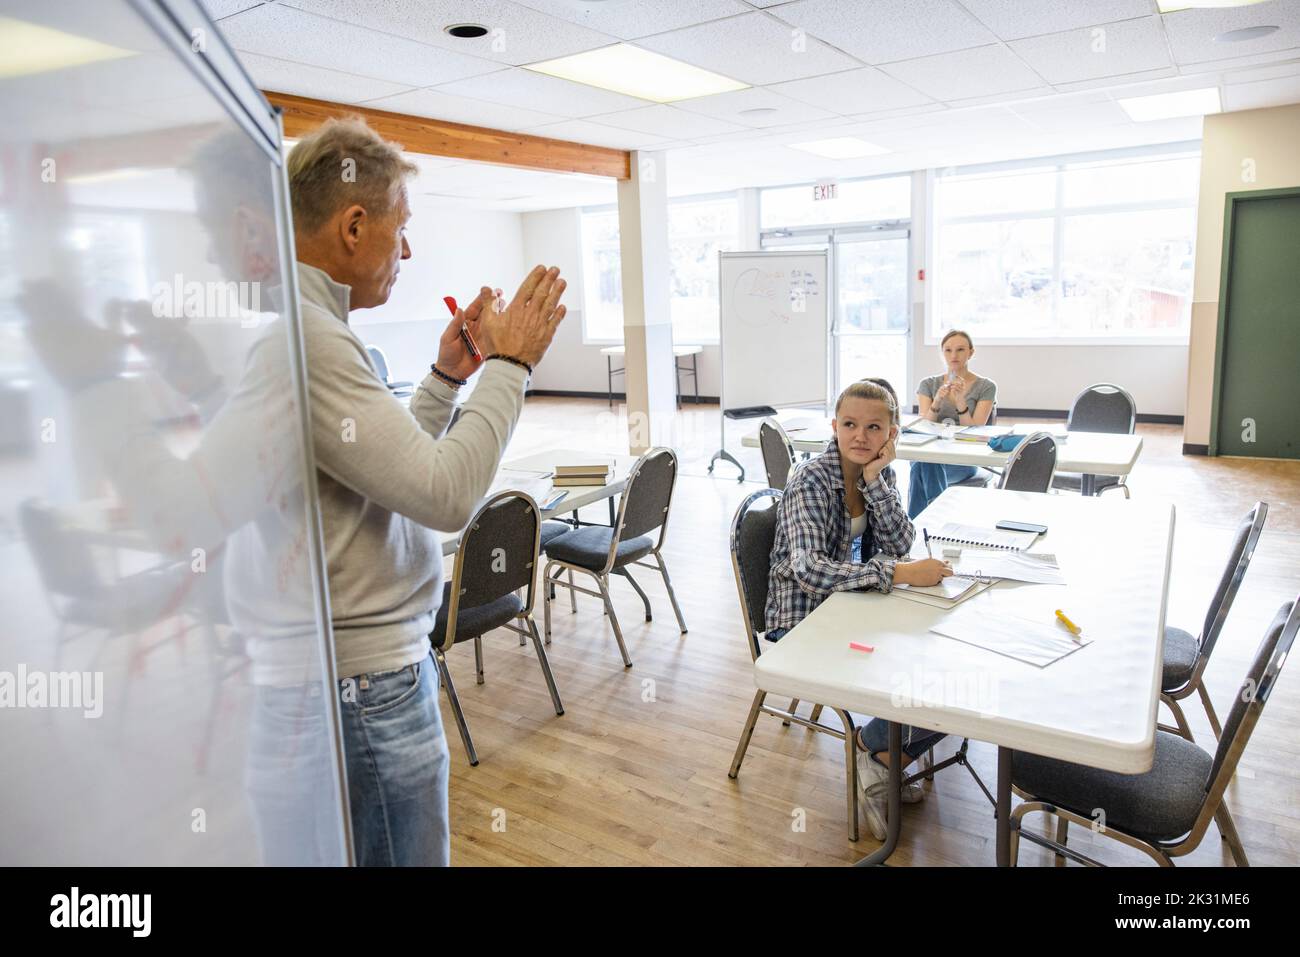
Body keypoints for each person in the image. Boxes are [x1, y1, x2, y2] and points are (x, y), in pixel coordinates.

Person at [764, 379, 953, 840]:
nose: (860, 437)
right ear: (834, 425)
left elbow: (900, 542)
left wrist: (873, 483)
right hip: (803, 617)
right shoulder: (810, 480)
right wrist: (901, 574)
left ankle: (881, 750)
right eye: (849, 424)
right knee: (925, 673)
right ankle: (879, 752)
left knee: (949, 671)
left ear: (891, 433)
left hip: (851, 602)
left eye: (874, 427)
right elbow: (809, 571)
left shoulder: (879, 471)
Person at [907, 330, 997, 518]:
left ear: (971, 353)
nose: (953, 355)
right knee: (926, 462)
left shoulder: (986, 386)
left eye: (960, 350)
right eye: (948, 350)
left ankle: (917, 525)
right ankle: (933, 521)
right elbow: (923, 428)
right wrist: (937, 402)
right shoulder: (928, 384)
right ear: (942, 353)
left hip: (961, 459)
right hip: (930, 455)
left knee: (920, 467)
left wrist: (960, 401)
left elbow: (976, 431)